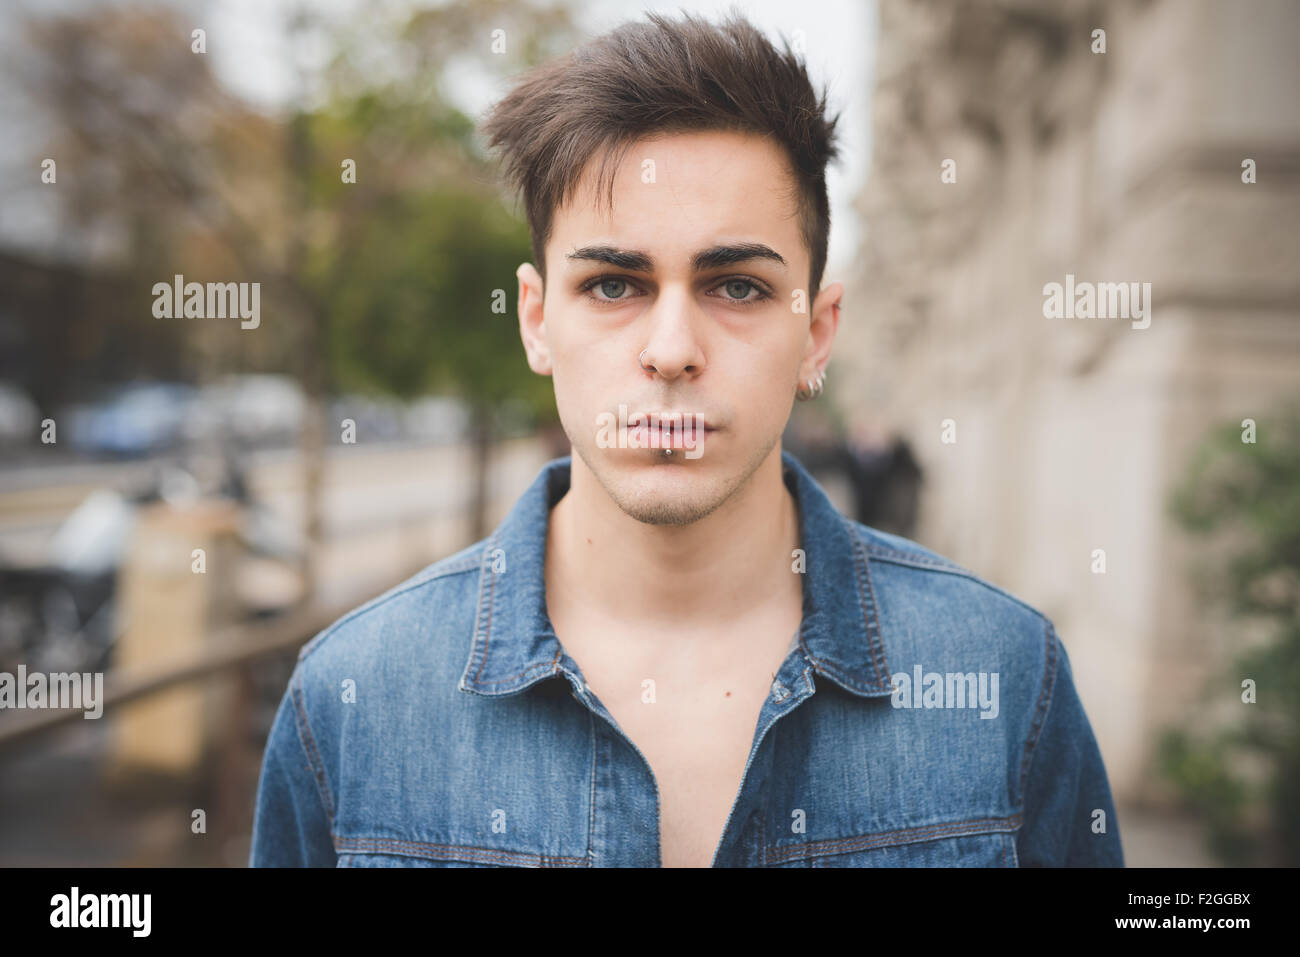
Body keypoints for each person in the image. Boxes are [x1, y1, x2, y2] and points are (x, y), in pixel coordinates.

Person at [249, 10, 1122, 868]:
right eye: (614, 285)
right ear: (538, 319)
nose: (670, 350)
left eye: (737, 287)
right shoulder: (352, 699)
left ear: (817, 331)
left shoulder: (1005, 676)